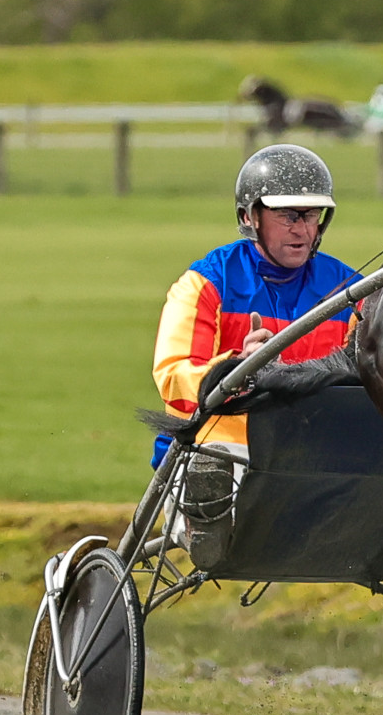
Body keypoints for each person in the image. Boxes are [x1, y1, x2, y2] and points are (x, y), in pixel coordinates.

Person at [153, 144, 361, 566]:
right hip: (219, 454)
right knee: (217, 468)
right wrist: (236, 367)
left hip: (313, 465)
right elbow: (173, 378)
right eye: (288, 215)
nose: (302, 229)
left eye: (311, 215)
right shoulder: (206, 283)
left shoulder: (350, 290)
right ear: (249, 216)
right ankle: (205, 516)